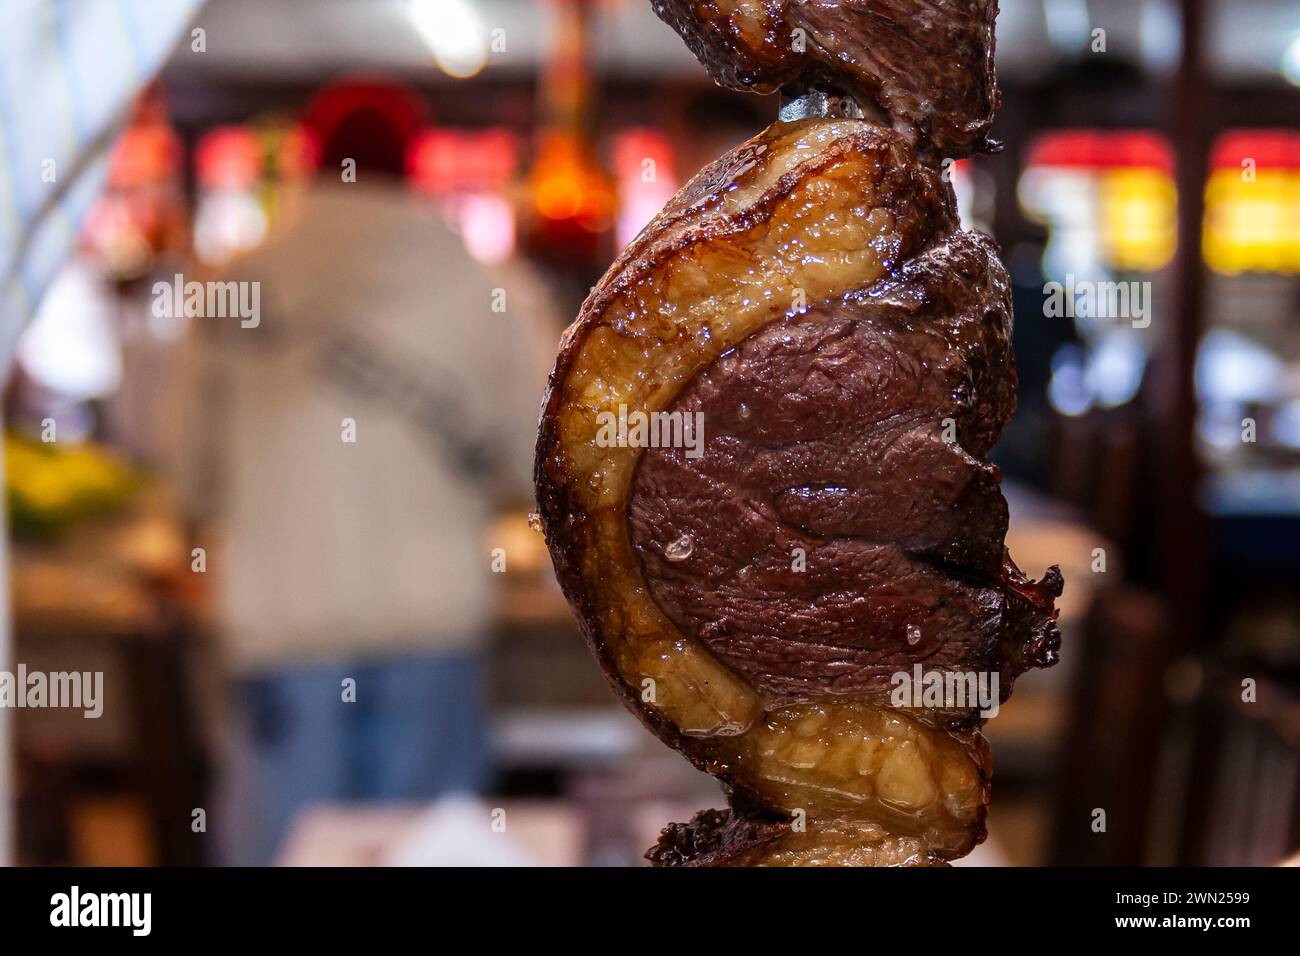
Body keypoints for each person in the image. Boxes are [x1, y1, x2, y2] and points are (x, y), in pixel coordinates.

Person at [168, 82, 553, 865]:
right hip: (430, 619)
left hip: (287, 618)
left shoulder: (240, 281)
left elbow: (183, 461)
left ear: (310, 161)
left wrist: (199, 520)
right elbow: (540, 455)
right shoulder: (483, 286)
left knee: (283, 853)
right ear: (415, 164)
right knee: (422, 854)